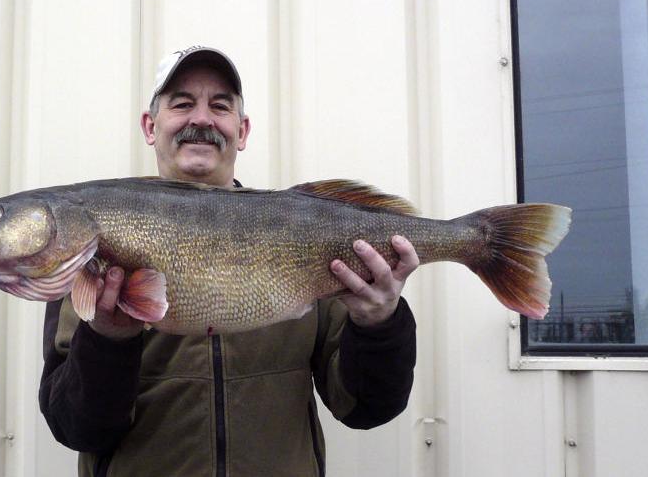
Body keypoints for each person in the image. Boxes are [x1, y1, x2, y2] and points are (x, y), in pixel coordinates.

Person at [40, 46, 418, 476]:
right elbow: (75, 427)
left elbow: (365, 407)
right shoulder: (89, 255)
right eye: (182, 103)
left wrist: (379, 324)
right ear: (151, 126)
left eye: (220, 106)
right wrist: (107, 341)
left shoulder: (307, 233)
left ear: (242, 131)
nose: (201, 119)